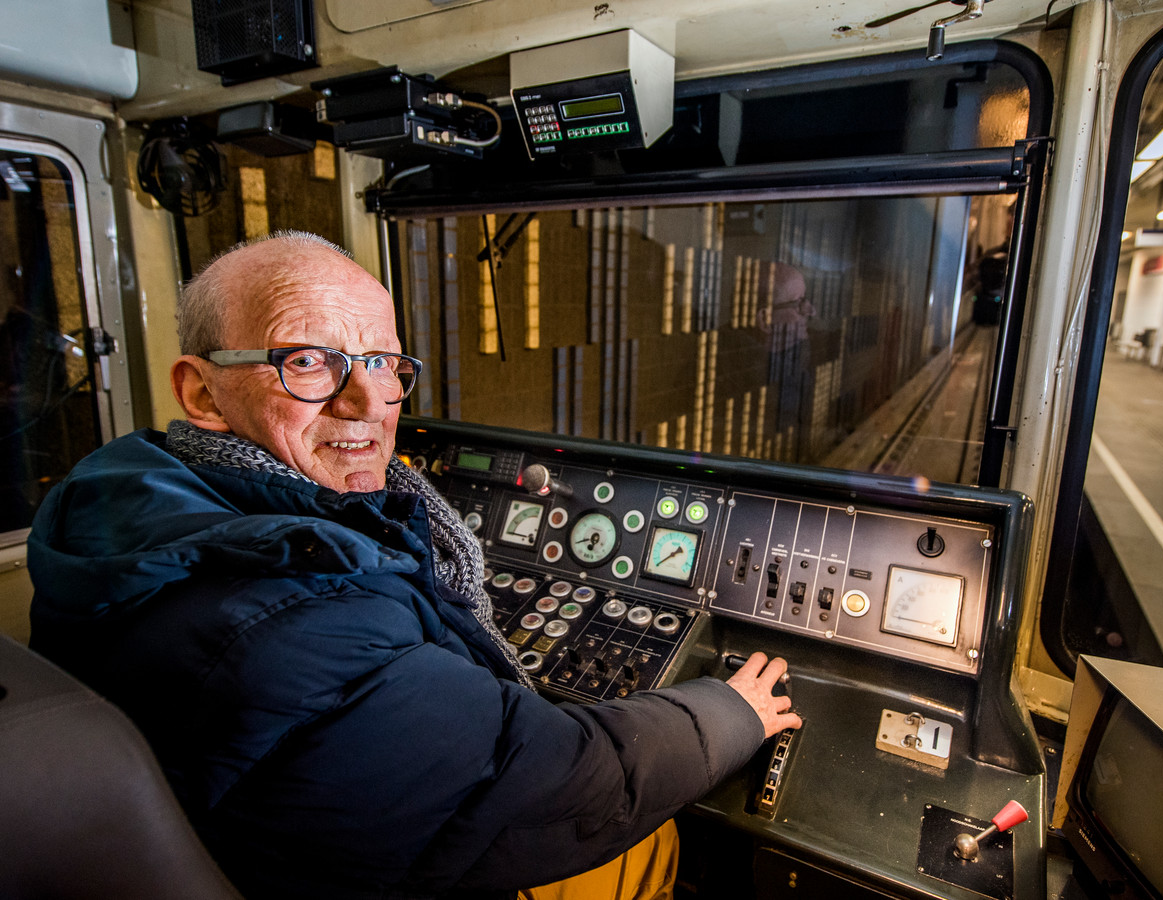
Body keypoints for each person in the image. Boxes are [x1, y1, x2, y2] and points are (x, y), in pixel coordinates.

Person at [25, 231, 802, 900]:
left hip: (256, 844)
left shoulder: (122, 509)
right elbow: (554, 786)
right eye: (307, 361)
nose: (368, 402)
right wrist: (730, 713)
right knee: (652, 844)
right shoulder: (301, 615)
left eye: (385, 363)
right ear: (201, 390)